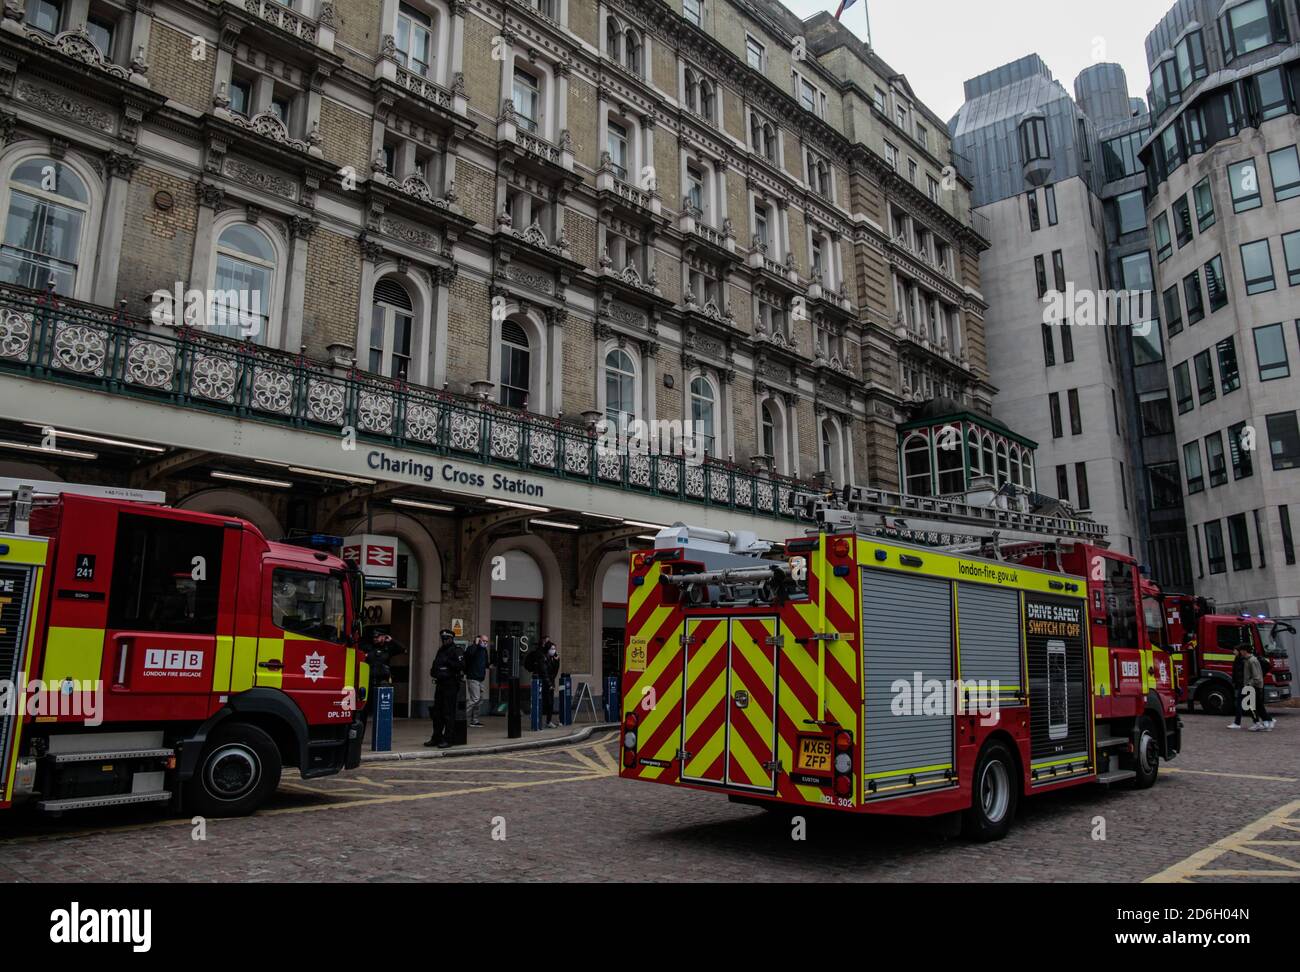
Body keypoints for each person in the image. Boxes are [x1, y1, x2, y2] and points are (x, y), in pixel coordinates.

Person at [426, 629, 464, 748]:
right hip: (440, 684)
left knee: (448, 713)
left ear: (452, 639)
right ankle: (436, 737)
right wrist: (434, 672)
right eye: (443, 639)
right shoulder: (441, 650)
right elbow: (435, 665)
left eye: (447, 639)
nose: (445, 641)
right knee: (437, 713)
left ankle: (448, 739)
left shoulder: (456, 650)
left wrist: (448, 663)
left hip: (451, 684)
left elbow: (462, 666)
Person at [463, 634, 490, 728]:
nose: (485, 643)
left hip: (480, 678)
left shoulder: (484, 650)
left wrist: (490, 665)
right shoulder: (472, 648)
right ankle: (459, 716)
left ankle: (474, 720)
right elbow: (468, 655)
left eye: (487, 641)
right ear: (478, 640)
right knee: (475, 698)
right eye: (483, 641)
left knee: (480, 699)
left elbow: (486, 663)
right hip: (473, 677)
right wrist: (476, 644)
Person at [1242, 645, 1271, 732]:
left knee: (1251, 705)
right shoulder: (1249, 660)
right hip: (1254, 686)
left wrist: (1248, 685)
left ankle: (1258, 723)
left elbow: (1256, 676)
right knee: (1258, 705)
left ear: (1244, 651)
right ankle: (1266, 722)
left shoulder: (1252, 660)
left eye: (1241, 650)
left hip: (1253, 686)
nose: (1240, 652)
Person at [1229, 644, 1246, 729]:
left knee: (1240, 703)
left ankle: (1237, 723)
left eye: (1235, 650)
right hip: (1241, 684)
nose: (1233, 652)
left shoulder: (1242, 660)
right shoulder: (1238, 659)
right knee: (1251, 704)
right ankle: (1265, 719)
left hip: (1243, 684)